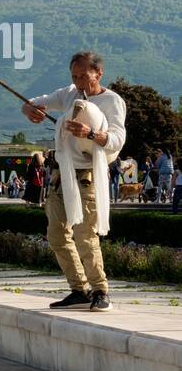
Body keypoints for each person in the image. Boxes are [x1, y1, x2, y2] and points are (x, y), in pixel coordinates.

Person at [22, 50, 126, 312]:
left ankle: (100, 290)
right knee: (56, 235)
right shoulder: (69, 93)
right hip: (61, 174)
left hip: (88, 175)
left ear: (98, 73)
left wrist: (91, 134)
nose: (79, 82)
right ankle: (79, 289)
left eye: (84, 76)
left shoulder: (112, 101)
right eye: (75, 76)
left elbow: (116, 140)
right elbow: (35, 102)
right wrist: (29, 109)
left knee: (85, 235)